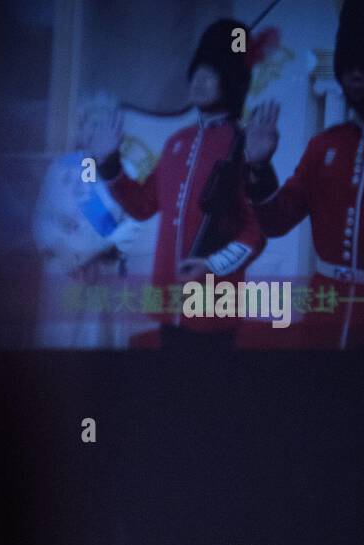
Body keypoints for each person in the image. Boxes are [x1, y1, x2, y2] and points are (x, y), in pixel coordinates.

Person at [243, 0, 364, 348]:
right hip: (324, 316)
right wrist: (259, 166)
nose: (356, 74)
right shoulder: (323, 147)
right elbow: (276, 222)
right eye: (348, 65)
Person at [91, 18, 266, 350]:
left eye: (211, 72)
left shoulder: (243, 143)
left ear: (230, 81)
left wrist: (213, 265)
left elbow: (255, 232)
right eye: (197, 70)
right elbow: (143, 206)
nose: (199, 79)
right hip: (169, 301)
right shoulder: (177, 142)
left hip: (214, 303)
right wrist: (110, 164)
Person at [32, 94, 145, 348]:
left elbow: (133, 225)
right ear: (80, 129)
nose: (95, 131)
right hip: (62, 270)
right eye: (89, 124)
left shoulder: (127, 172)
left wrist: (91, 255)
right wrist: (63, 253)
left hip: (102, 272)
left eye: (102, 124)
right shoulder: (59, 168)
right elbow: (41, 218)